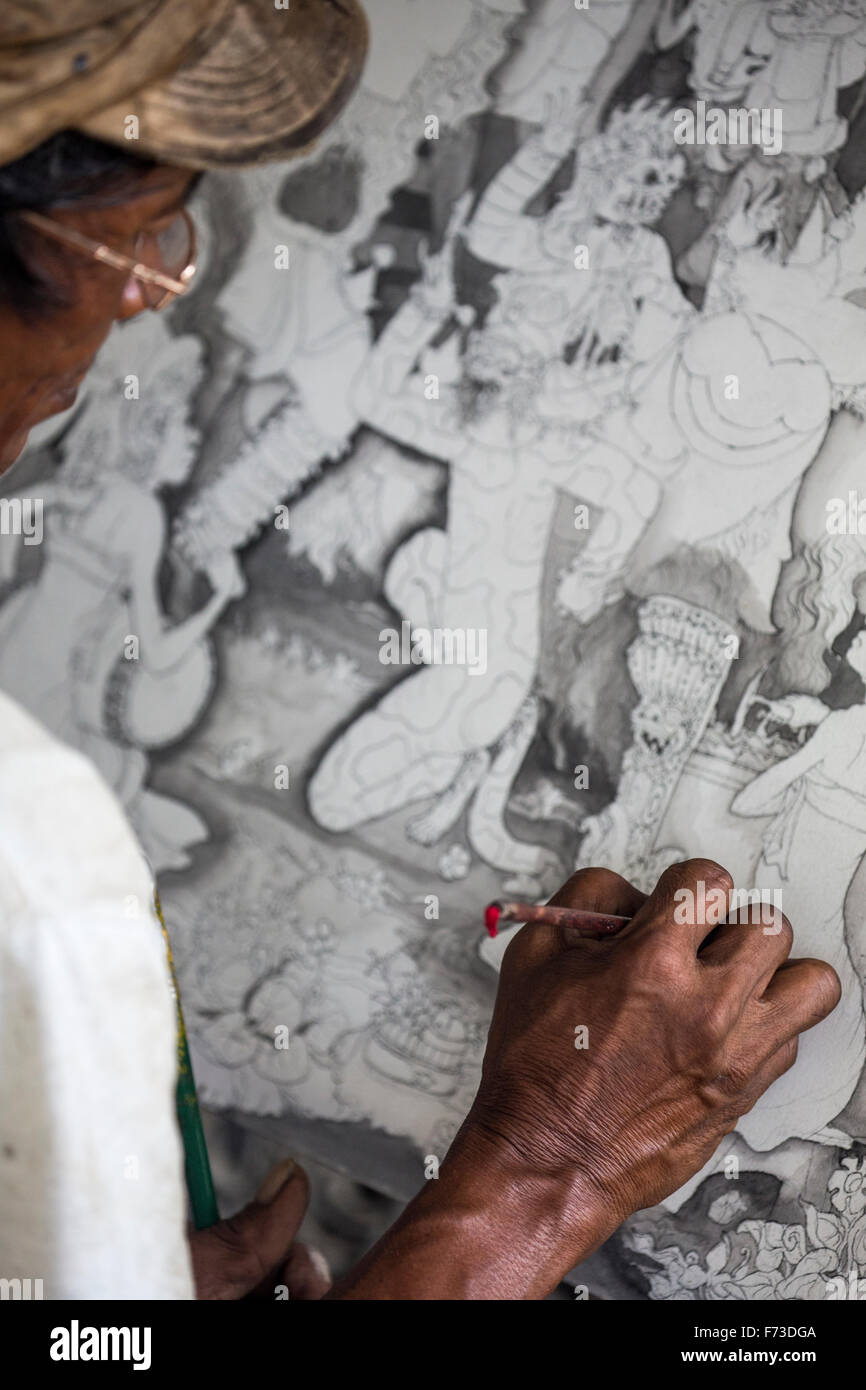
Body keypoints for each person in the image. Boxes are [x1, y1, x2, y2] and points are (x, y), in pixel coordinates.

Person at [0, 0, 842, 1301]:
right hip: (498, 509)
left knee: (485, 683)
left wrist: (86, 1309)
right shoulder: (31, 851)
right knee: (466, 694)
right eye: (132, 243)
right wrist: (537, 1175)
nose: (143, 297)